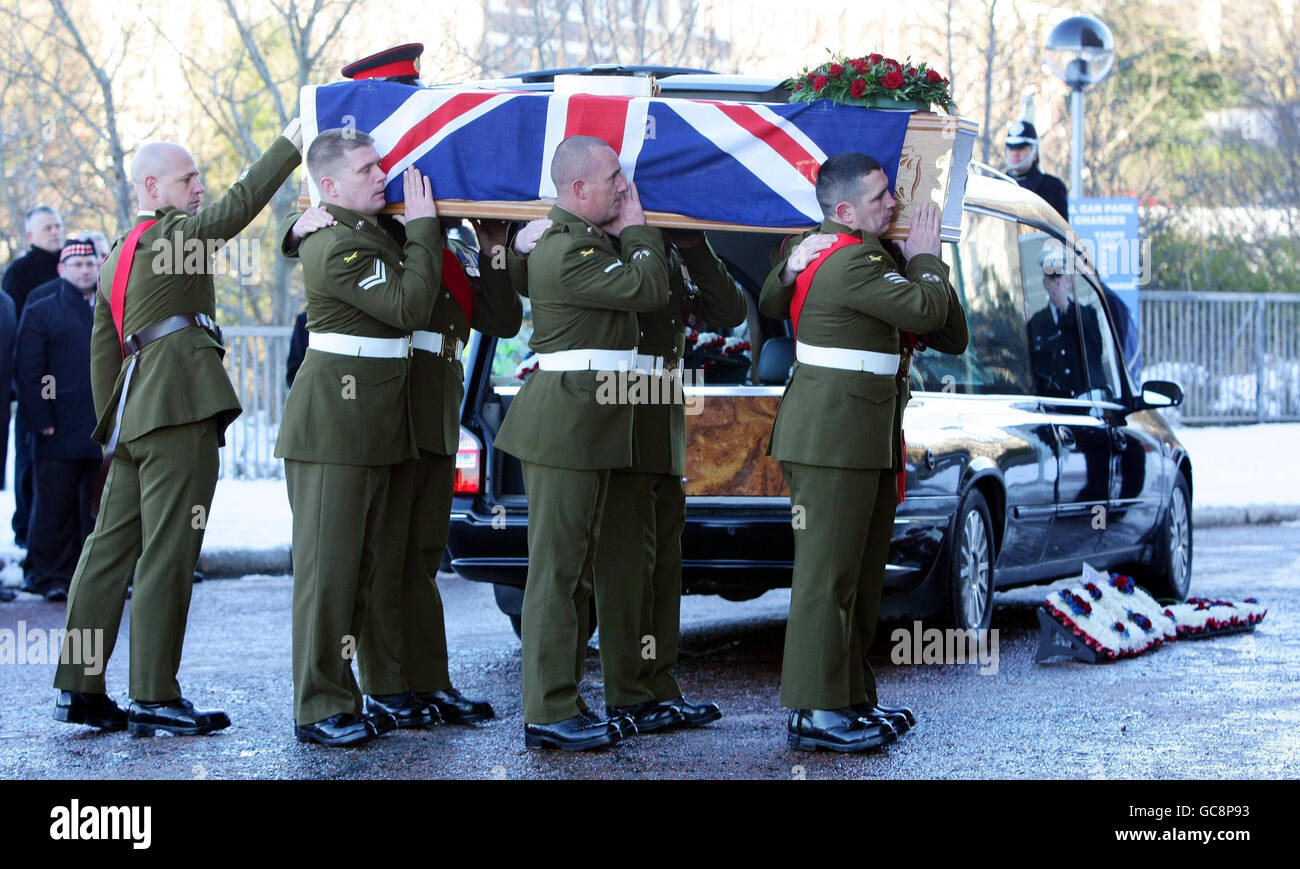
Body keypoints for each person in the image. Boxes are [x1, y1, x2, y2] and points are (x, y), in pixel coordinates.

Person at [52, 121, 303, 736]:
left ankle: (79, 688)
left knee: (107, 554)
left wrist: (115, 429)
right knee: (169, 552)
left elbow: (102, 354)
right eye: (188, 178)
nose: (199, 188)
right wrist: (291, 144)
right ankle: (154, 697)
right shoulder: (170, 239)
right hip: (180, 408)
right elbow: (237, 208)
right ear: (151, 185)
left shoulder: (115, 256)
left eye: (198, 178)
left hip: (136, 417)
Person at [759, 152, 967, 753]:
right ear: (843, 210)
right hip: (833, 437)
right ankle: (814, 709)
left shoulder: (869, 258)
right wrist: (925, 259)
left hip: (864, 433)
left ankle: (849, 697)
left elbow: (950, 335)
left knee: (859, 575)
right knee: (827, 576)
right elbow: (926, 309)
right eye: (881, 197)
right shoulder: (849, 261)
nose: (894, 203)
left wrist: (920, 261)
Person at [493, 135, 670, 751]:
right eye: (614, 179)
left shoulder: (582, 242)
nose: (625, 187)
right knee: (557, 574)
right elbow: (650, 290)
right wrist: (641, 229)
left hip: (588, 423)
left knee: (577, 576)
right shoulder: (567, 251)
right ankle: (548, 710)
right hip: (567, 424)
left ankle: (564, 701)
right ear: (577, 191)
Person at [273, 129, 440, 747]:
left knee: (362, 567)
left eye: (381, 164)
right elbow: (408, 306)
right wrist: (425, 229)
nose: (382, 175)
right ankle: (318, 706)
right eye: (367, 168)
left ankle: (345, 693)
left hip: (373, 423)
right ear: (331, 186)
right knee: (328, 574)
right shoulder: (334, 243)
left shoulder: (364, 233)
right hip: (334, 430)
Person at [591, 229, 746, 733]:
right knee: (625, 566)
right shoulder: (606, 249)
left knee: (661, 566)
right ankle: (627, 692)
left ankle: (658, 683)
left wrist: (695, 244)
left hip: (662, 416)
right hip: (620, 413)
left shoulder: (669, 250)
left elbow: (728, 313)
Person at [14, 240, 102, 601]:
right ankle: (49, 574)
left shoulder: (111, 311)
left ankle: (93, 574)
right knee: (54, 506)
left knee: (95, 507)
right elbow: (29, 368)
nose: (84, 270)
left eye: (89, 263)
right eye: (77, 264)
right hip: (56, 429)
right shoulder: (41, 310)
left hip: (99, 428)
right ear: (61, 269)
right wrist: (42, 418)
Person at [4, 205, 64, 548]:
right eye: (46, 228)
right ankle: (25, 527)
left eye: (56, 225)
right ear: (30, 236)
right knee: (29, 458)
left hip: (67, 380)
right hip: (34, 380)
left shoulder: (72, 265)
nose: (54, 232)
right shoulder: (20, 273)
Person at [1027, 245, 1107, 399]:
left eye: (1059, 276)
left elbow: (1096, 346)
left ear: (1068, 280)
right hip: (1053, 406)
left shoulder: (1086, 314)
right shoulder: (1036, 323)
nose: (1056, 282)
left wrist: (1066, 306)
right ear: (1045, 282)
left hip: (1084, 404)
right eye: (1051, 277)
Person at [1005, 121, 1069, 221]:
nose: (1015, 153)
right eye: (1011, 148)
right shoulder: (997, 185)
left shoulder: (1053, 188)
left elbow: (1061, 233)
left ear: (1034, 153)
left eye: (1021, 148)